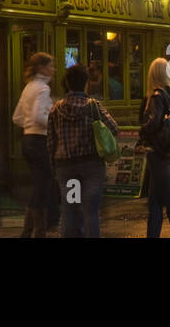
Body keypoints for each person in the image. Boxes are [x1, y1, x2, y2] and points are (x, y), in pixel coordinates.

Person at [46, 63, 118, 238]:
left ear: (68, 84)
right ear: (86, 83)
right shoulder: (93, 106)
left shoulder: (56, 109)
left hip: (67, 168)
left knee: (70, 212)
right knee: (91, 212)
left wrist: (54, 167)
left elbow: (50, 142)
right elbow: (114, 128)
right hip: (91, 167)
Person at [139, 58, 170, 238]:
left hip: (159, 154)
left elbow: (152, 124)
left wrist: (142, 133)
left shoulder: (155, 96)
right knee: (155, 202)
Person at [11, 52, 56, 237]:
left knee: (38, 185)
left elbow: (17, 117)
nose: (53, 69)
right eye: (51, 65)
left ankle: (27, 230)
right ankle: (39, 230)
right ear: (41, 68)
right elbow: (39, 116)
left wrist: (28, 126)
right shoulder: (43, 89)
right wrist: (53, 123)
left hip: (27, 139)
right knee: (42, 186)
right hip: (40, 141)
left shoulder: (29, 87)